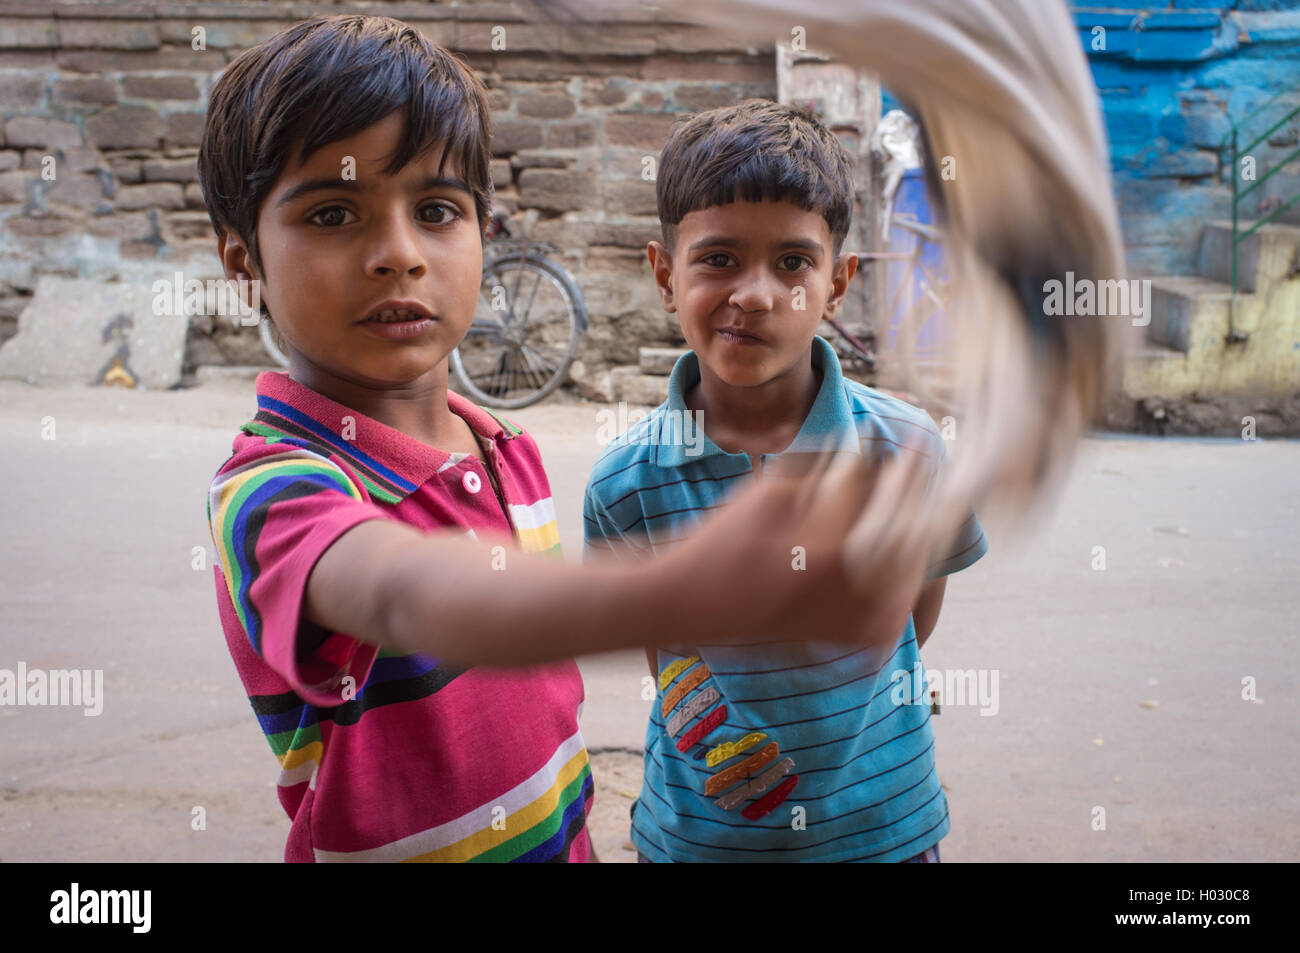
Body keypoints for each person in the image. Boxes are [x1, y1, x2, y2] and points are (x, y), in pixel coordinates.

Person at [198, 16, 921, 863]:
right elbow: (401, 591)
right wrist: (675, 591)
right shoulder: (271, 488)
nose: (398, 255)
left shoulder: (504, 449)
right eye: (332, 213)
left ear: (482, 234)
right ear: (244, 265)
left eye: (436, 209)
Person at [582, 100, 989, 862]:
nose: (757, 294)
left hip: (884, 829)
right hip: (700, 838)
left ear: (838, 285)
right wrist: (715, 722)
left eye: (794, 263)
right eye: (719, 259)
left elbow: (910, 621)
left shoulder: (908, 450)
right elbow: (667, 654)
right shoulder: (626, 482)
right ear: (665, 275)